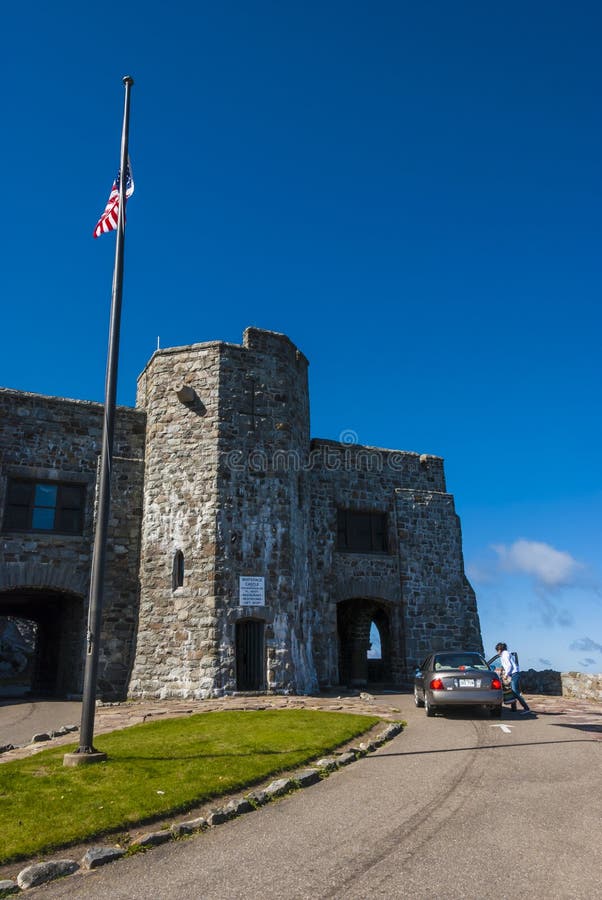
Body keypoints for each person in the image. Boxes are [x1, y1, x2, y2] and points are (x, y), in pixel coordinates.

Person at [495, 642, 531, 714]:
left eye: (497, 650)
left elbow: (509, 666)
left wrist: (506, 675)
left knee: (515, 692)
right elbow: (506, 665)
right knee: (512, 691)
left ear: (500, 649)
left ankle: (526, 708)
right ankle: (514, 708)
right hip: (514, 674)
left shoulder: (505, 654)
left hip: (514, 674)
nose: (497, 652)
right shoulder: (506, 654)